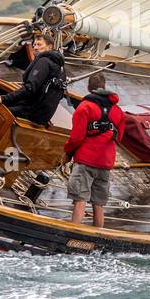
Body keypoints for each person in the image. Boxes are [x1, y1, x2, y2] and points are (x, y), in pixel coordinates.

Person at [62, 72, 124, 228]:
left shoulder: (84, 107)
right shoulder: (118, 112)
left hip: (86, 160)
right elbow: (119, 137)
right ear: (104, 86)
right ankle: (98, 235)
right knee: (98, 203)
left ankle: (73, 233)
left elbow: (76, 137)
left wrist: (67, 154)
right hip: (105, 162)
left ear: (89, 88)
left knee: (80, 198)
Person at [0, 32, 66, 124]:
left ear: (50, 46)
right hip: (43, 114)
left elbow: (29, 89)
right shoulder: (60, 67)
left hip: (32, 112)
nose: (35, 48)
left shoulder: (44, 62)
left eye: (39, 44)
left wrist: (4, 98)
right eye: (34, 45)